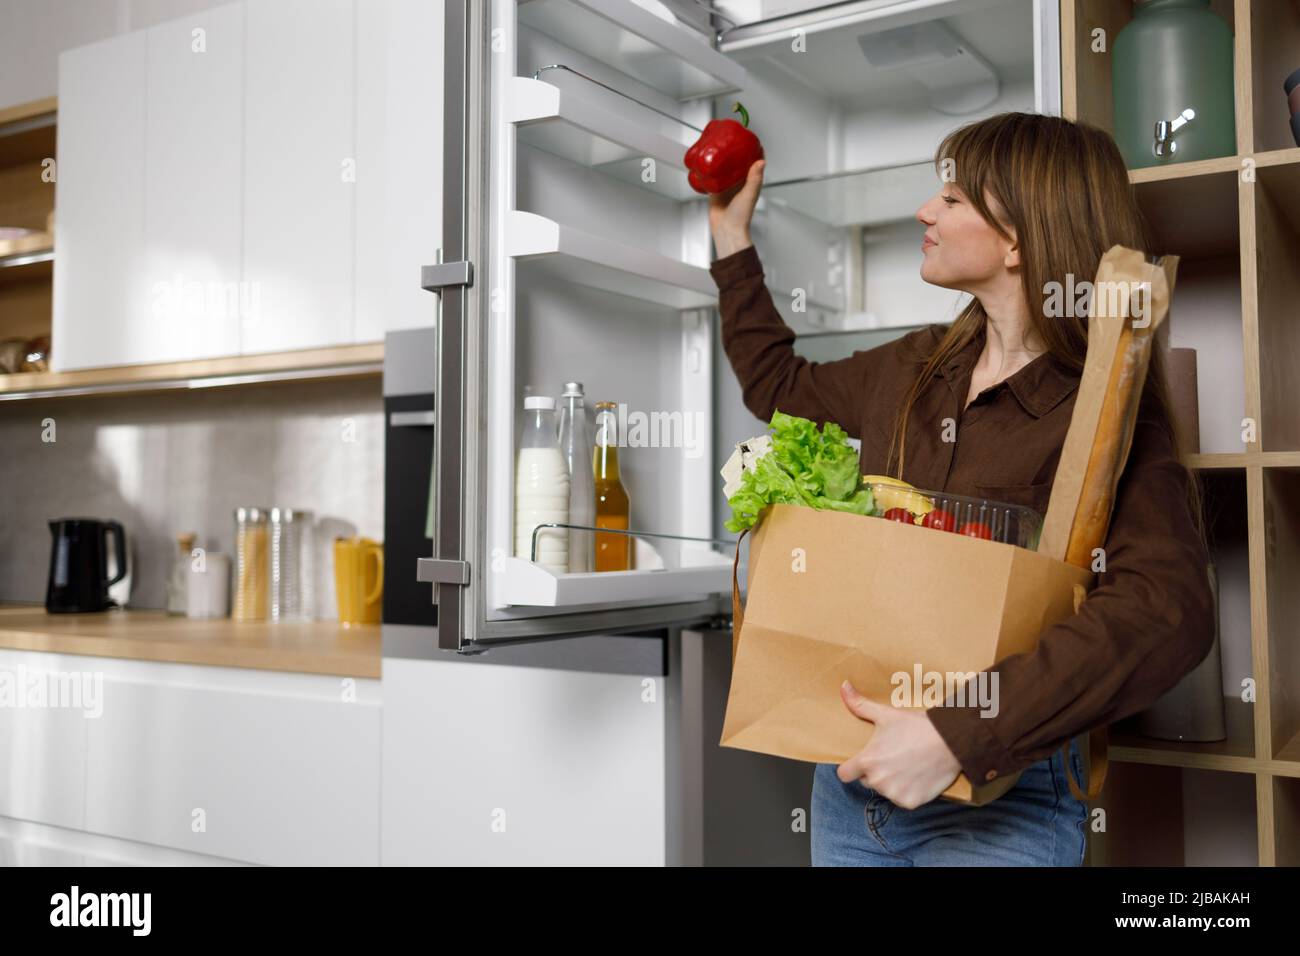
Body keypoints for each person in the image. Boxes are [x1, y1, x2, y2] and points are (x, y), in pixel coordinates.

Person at [708, 112, 1216, 867]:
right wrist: (730, 238)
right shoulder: (910, 368)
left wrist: (957, 732)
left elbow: (1166, 609)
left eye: (951, 199)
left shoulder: (1102, 410)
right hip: (851, 785)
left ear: (1016, 238)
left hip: (1001, 800)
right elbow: (778, 383)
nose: (925, 211)